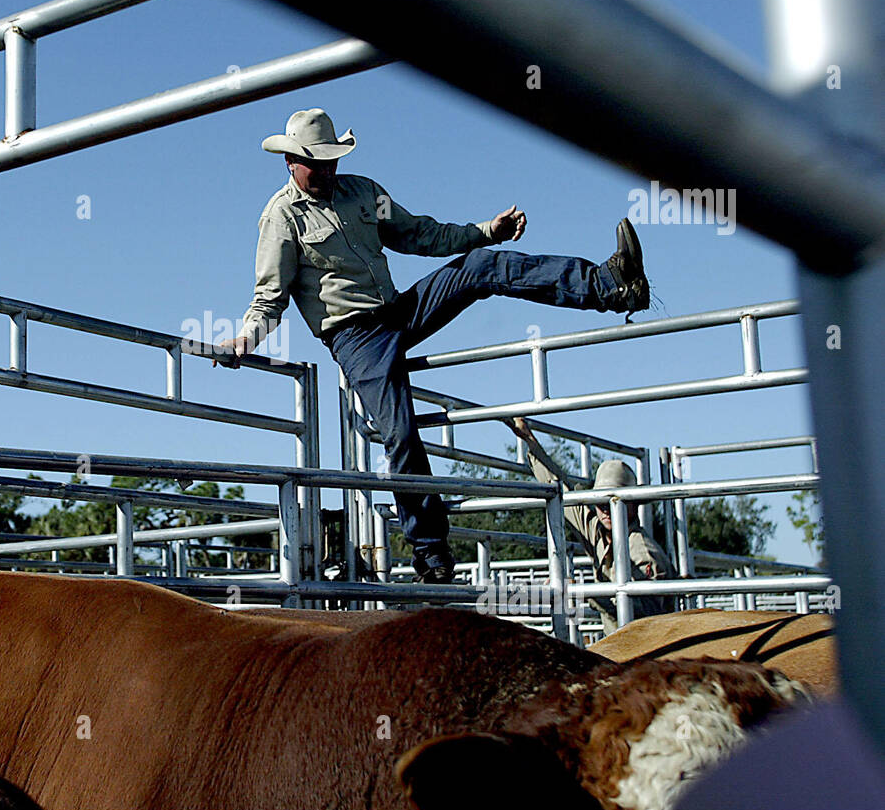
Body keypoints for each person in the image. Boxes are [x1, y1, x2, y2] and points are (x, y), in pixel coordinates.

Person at [214, 108, 650, 585]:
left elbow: (420, 234)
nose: (325, 170)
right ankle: (432, 557)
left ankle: (609, 286)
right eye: (315, 162)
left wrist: (485, 231)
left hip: (398, 310)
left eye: (331, 160)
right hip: (354, 337)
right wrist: (244, 338)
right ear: (291, 162)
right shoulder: (280, 218)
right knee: (399, 433)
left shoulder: (363, 192)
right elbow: (269, 297)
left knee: (482, 265)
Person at [508, 417, 678, 633]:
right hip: (622, 646)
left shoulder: (642, 550)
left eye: (615, 502)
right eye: (600, 502)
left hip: (647, 650)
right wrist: (529, 439)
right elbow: (561, 490)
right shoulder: (597, 530)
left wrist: (583, 591)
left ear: (633, 505)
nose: (606, 510)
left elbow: (650, 617)